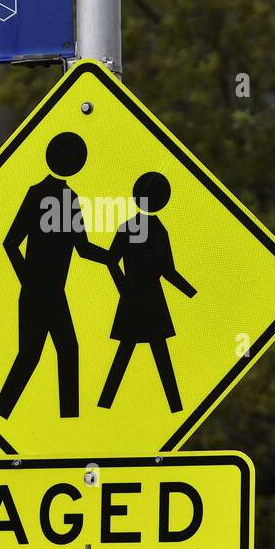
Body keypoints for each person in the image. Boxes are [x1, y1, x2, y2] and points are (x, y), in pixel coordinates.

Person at [0, 132, 111, 420]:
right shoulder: (40, 194)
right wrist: (28, 280)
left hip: (53, 293)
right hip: (38, 292)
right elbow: (10, 242)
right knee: (34, 355)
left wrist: (110, 257)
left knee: (63, 351)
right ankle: (3, 413)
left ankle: (66, 420)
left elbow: (81, 248)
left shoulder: (69, 199)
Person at [98, 171, 196, 412]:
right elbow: (166, 270)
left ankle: (173, 408)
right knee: (138, 352)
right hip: (146, 299)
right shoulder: (149, 229)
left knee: (147, 353)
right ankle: (106, 405)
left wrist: (192, 293)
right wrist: (123, 288)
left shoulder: (143, 228)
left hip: (144, 300)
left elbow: (164, 269)